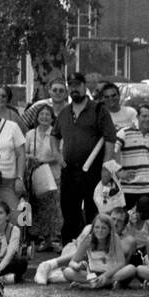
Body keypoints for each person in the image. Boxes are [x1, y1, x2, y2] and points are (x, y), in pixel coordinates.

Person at [54, 71, 116, 249]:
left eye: (77, 85)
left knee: (92, 211)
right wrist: (57, 156)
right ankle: (69, 251)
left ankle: (94, 250)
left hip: (93, 170)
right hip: (69, 171)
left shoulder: (98, 109)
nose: (74, 89)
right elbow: (54, 135)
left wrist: (106, 167)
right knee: (69, 212)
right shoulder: (64, 112)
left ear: (84, 86)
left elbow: (110, 138)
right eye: (71, 86)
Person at [25, 103, 64, 251]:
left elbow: (60, 154)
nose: (44, 117)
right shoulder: (30, 134)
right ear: (37, 117)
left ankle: (56, 239)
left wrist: (44, 161)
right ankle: (44, 239)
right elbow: (24, 152)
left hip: (53, 175)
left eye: (48, 114)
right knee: (40, 208)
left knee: (54, 209)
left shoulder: (56, 134)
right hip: (36, 176)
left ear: (52, 117)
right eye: (42, 114)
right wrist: (31, 158)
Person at [62, 213, 136, 290]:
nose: (100, 231)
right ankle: (107, 284)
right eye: (97, 227)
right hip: (92, 275)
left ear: (109, 229)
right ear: (93, 228)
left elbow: (121, 263)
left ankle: (92, 285)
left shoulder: (115, 238)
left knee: (131, 269)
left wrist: (105, 276)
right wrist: (77, 266)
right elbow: (72, 262)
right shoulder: (88, 239)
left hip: (111, 274)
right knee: (67, 271)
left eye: (104, 228)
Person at [115, 103, 149, 209]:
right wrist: (118, 172)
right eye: (144, 116)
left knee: (147, 222)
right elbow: (111, 153)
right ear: (138, 117)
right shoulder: (124, 132)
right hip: (129, 188)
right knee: (128, 220)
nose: (147, 119)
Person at [0, 199, 28, 283]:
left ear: (7, 216)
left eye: (0, 213)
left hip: (6, 263)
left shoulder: (14, 229)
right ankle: (7, 278)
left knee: (22, 262)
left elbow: (11, 253)